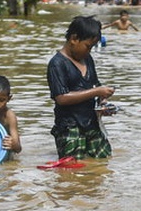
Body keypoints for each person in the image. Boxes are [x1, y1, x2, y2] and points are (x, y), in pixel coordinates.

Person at [47, 16, 116, 159]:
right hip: (70, 127)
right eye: (88, 46)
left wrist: (102, 103)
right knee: (72, 171)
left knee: (103, 163)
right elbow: (61, 98)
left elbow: (95, 85)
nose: (89, 51)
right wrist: (96, 91)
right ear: (74, 39)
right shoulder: (57, 64)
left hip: (92, 123)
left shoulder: (87, 59)